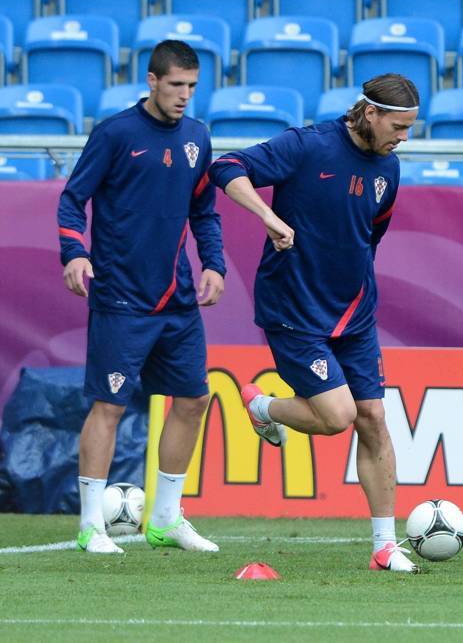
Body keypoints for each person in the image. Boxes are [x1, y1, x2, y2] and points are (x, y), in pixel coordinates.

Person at [208, 73, 420, 573]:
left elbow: (370, 237)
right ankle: (263, 406)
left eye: (411, 128)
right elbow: (226, 166)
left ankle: (385, 546)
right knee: (338, 417)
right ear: (370, 113)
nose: (404, 137)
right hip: (295, 310)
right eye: (399, 125)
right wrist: (267, 215)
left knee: (373, 419)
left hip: (355, 313)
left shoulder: (389, 168)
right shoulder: (306, 146)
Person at [58, 40, 225, 554]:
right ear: (152, 82)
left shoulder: (198, 137)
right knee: (110, 405)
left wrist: (214, 264)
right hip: (121, 298)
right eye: (176, 85)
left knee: (194, 398)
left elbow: (205, 211)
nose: (184, 96)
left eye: (192, 87)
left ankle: (166, 519)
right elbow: (73, 199)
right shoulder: (115, 134)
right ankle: (92, 525)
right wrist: (75, 253)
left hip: (176, 298)